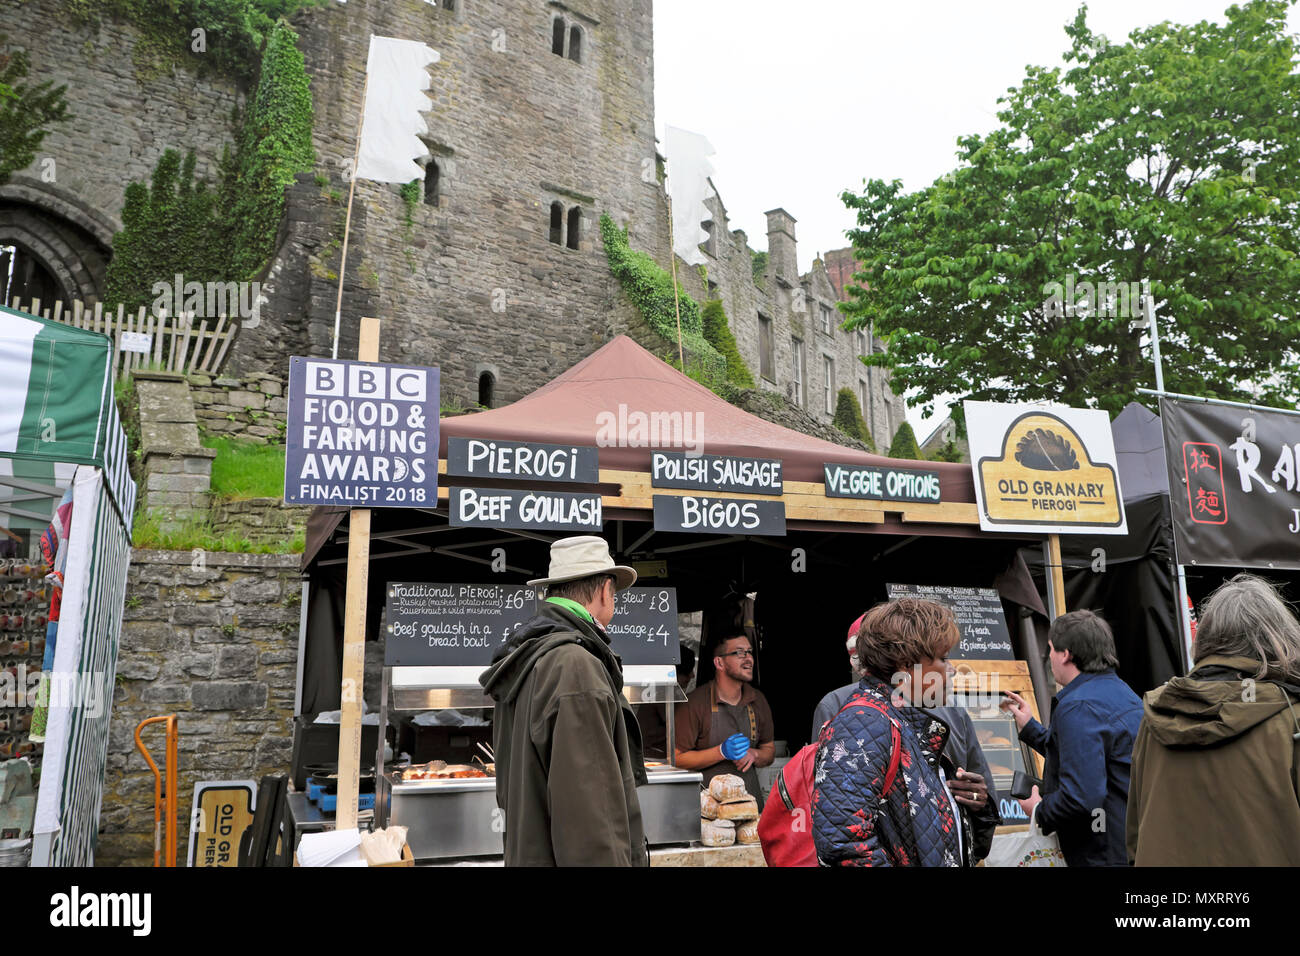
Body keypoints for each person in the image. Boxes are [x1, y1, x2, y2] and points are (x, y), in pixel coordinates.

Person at [479, 535, 647, 866]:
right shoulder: (576, 666)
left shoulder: (530, 656)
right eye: (614, 594)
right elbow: (591, 816)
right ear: (604, 591)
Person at [1127, 574, 1300, 865]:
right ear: (1278, 637)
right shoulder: (1291, 716)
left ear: (1206, 638)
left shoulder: (1158, 715)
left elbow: (1134, 836)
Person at [811, 613, 1001, 862]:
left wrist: (979, 806)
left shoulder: (920, 714)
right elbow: (841, 840)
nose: (953, 669)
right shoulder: (862, 719)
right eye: (943, 658)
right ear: (905, 664)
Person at [1000, 609, 1142, 867]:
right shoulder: (1124, 693)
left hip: (1100, 855)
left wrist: (1040, 810)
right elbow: (1087, 757)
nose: (1049, 657)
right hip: (1129, 845)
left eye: (1052, 649)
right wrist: (1031, 728)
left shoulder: (1078, 706)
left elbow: (1081, 797)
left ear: (1066, 654)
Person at [674, 633, 775, 804]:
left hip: (750, 807)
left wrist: (754, 754)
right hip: (708, 809)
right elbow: (677, 758)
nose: (748, 658)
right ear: (719, 662)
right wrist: (720, 752)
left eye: (749, 652)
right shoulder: (695, 703)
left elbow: (769, 750)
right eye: (739, 653)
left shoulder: (757, 700)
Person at [636, 645, 695, 759]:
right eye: (688, 671)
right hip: (653, 758)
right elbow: (682, 723)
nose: (692, 676)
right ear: (675, 672)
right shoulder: (664, 693)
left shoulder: (659, 690)